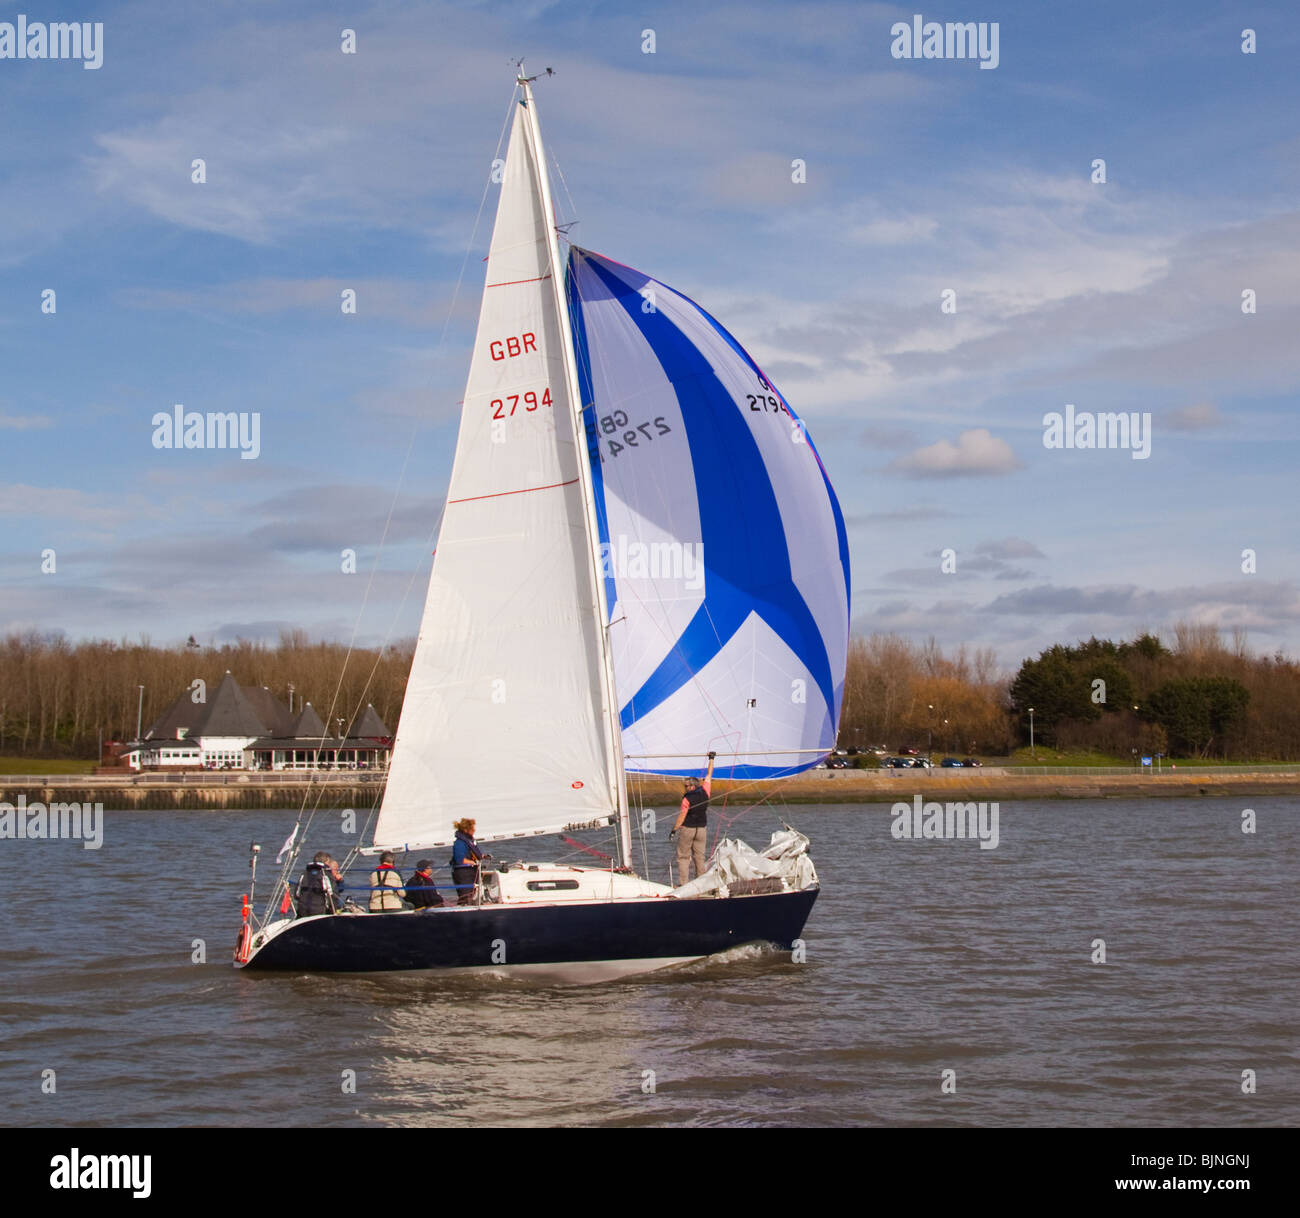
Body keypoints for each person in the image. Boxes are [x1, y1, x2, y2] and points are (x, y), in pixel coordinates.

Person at [670, 751, 716, 885]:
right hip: (701, 830)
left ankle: (683, 884)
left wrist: (674, 830)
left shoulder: (687, 799)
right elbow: (709, 775)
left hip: (688, 830)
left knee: (683, 857)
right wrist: (711, 759)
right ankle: (701, 884)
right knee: (699, 857)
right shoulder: (705, 791)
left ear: (692, 786)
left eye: (686, 786)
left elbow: (682, 816)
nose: (684, 788)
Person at [449, 819, 490, 905]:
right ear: (466, 830)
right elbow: (460, 860)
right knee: (465, 895)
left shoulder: (469, 841)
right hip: (464, 872)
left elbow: (472, 853)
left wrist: (483, 856)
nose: (474, 830)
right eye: (472, 829)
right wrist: (473, 862)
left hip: (471, 871)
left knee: (473, 893)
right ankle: (463, 910)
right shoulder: (459, 843)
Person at [296, 851, 341, 917]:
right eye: (329, 862)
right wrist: (335, 911)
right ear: (325, 862)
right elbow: (333, 896)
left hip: (302, 912)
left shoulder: (304, 874)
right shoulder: (326, 875)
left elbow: (296, 895)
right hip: (319, 912)